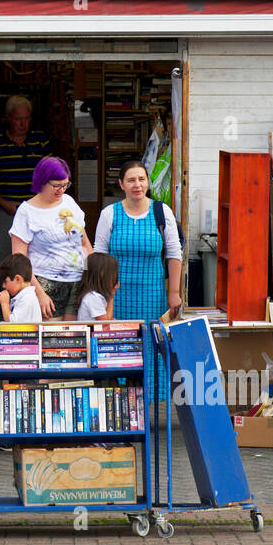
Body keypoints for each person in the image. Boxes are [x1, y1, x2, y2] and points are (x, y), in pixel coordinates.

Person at [94, 159, 183, 398]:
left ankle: (149, 411)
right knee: (119, 350)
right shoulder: (109, 214)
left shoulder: (161, 211)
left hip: (153, 297)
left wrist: (174, 293)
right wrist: (102, 295)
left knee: (151, 351)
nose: (137, 185)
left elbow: (175, 254)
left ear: (148, 182)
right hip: (117, 298)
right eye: (131, 180)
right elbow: (99, 256)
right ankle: (122, 406)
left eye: (141, 179)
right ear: (121, 184)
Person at [0, 95, 53, 285]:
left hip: (36, 211)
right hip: (4, 211)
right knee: (3, 264)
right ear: (8, 119)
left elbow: (52, 176)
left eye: (27, 119)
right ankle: (3, 311)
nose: (23, 123)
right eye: (18, 119)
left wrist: (38, 204)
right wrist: (3, 203)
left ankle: (32, 310)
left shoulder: (40, 142)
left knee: (36, 262)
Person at [8, 156, 92, 319]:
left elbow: (85, 243)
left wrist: (91, 276)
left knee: (76, 336)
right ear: (42, 182)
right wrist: (39, 294)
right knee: (52, 337)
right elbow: (19, 260)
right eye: (56, 185)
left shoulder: (69, 202)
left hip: (79, 281)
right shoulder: (26, 211)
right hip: (46, 283)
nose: (61, 190)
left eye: (65, 184)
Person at [0, 254, 42, 322]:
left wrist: (4, 304)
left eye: (5, 282)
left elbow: (14, 324)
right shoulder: (23, 297)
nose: (3, 286)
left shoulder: (27, 298)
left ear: (18, 279)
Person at [75, 252, 118, 321]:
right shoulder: (93, 298)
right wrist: (111, 297)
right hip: (90, 331)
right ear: (102, 275)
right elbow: (105, 322)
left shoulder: (95, 296)